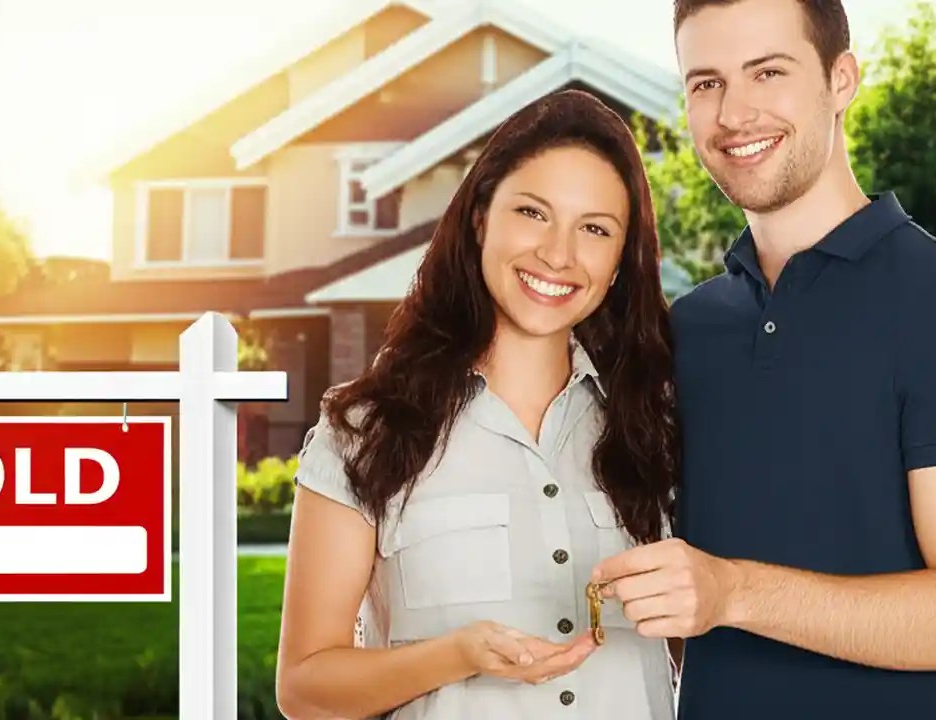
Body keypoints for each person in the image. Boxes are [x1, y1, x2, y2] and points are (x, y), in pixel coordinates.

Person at [590, 0, 936, 718]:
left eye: (768, 72)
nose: (734, 113)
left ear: (842, 80)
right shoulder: (686, 329)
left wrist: (732, 592)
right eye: (706, 83)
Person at [274, 89, 682, 720]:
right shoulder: (365, 430)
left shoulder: (655, 424)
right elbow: (305, 689)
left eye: (594, 229)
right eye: (532, 212)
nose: (558, 254)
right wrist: (458, 655)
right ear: (480, 217)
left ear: (620, 262)